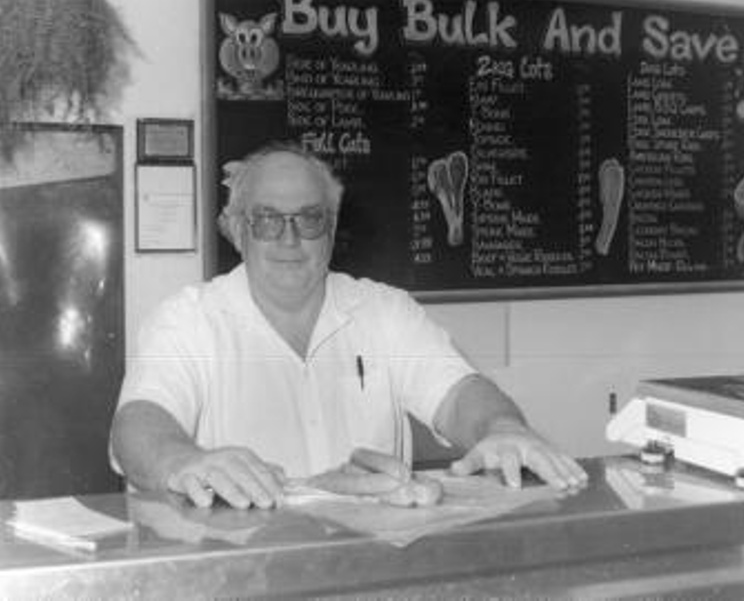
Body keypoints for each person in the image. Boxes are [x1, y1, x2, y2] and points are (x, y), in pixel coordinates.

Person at [110, 143, 588, 509]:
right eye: (267, 220)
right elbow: (137, 427)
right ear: (237, 231)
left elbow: (460, 394)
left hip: (372, 576)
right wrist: (182, 462)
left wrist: (502, 428)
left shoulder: (385, 312)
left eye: (310, 219)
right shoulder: (187, 320)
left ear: (333, 229)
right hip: (239, 578)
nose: (290, 239)